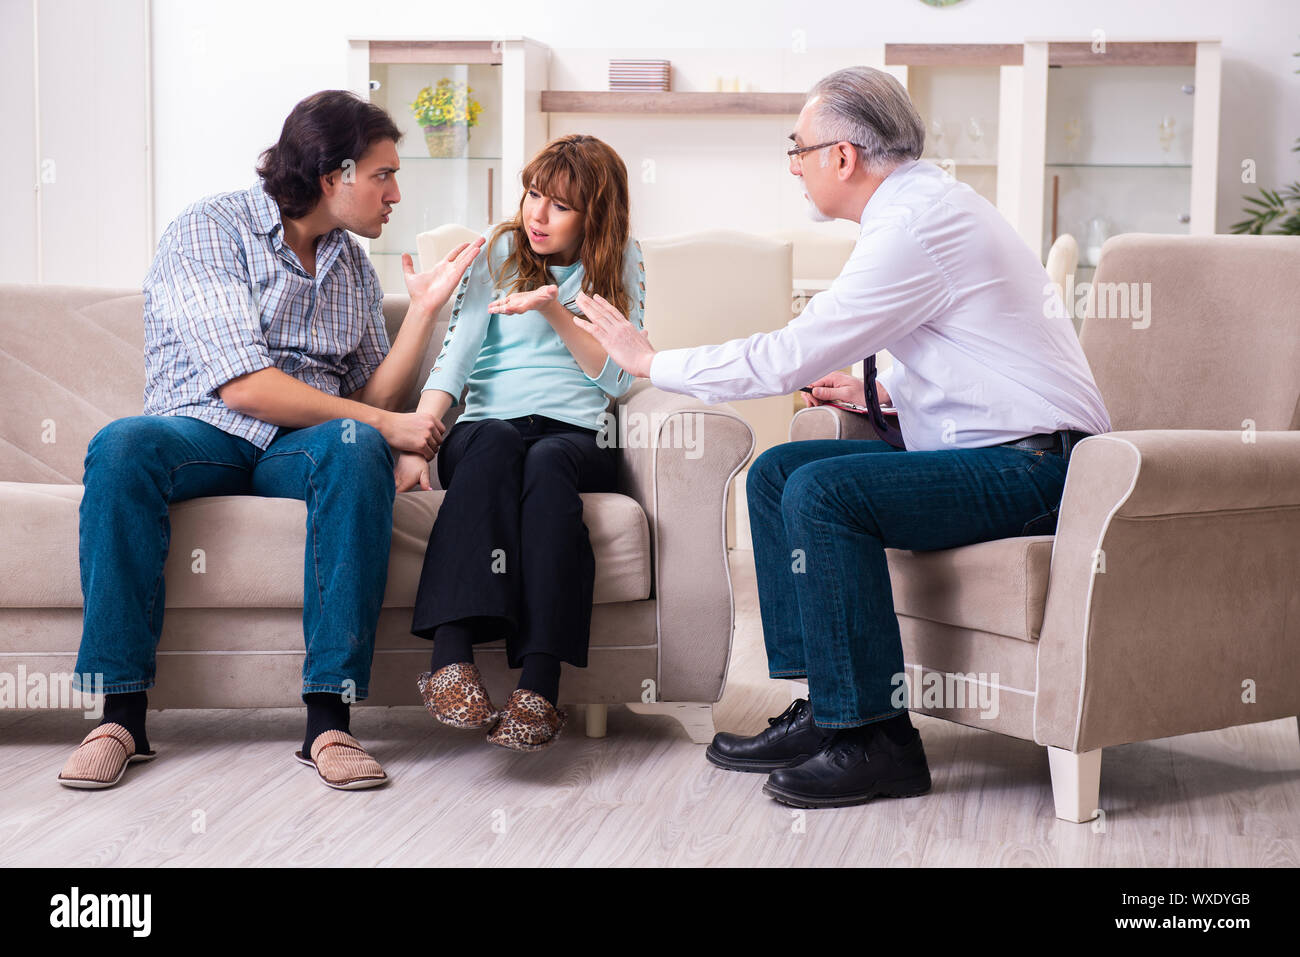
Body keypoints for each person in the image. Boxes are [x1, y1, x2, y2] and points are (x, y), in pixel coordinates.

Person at [573, 66, 1111, 808]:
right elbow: (974, 351)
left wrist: (651, 360)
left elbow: (794, 351)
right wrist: (883, 393)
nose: (793, 167)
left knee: (826, 492)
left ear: (843, 157)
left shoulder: (915, 224)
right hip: (996, 448)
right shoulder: (917, 209)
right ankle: (828, 708)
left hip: (1040, 471)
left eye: (797, 149)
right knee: (778, 472)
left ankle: (877, 739)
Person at [58, 90, 483, 791]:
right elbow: (244, 388)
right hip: (204, 431)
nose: (396, 193)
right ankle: (120, 716)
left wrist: (424, 313)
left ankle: (330, 719)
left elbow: (366, 404)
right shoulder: (209, 229)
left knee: (353, 446)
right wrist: (386, 424)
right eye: (383, 175)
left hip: (302, 447)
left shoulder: (348, 263)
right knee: (121, 446)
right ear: (333, 177)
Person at [401, 133, 644, 752]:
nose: (536, 214)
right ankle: (450, 662)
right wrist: (418, 442)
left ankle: (540, 686)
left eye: (559, 205)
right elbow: (455, 356)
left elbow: (621, 374)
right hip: (489, 427)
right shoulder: (500, 250)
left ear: (596, 215)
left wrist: (557, 311)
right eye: (534, 195)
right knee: (498, 447)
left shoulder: (623, 262)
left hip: (579, 433)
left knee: (549, 460)